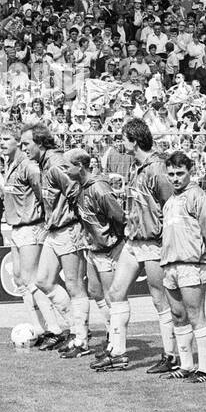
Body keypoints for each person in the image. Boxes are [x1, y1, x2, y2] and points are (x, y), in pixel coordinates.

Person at [92, 117, 178, 374]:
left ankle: (171, 354)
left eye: (124, 138)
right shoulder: (137, 167)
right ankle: (117, 353)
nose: (121, 143)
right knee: (116, 293)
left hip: (154, 241)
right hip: (133, 240)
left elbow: (170, 204)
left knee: (159, 299)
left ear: (135, 140)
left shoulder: (157, 168)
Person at [159, 151, 206, 383]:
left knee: (196, 315)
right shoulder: (170, 201)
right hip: (169, 264)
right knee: (177, 315)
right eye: (171, 174)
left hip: (191, 263)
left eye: (180, 173)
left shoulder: (198, 196)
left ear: (190, 172)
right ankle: (186, 364)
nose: (175, 178)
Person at [22, 123, 82, 352]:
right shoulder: (44, 164)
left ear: (40, 142)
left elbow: (77, 190)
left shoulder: (57, 163)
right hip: (54, 230)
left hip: (68, 229)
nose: (23, 148)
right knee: (43, 280)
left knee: (78, 288)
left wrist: (78, 223)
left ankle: (81, 335)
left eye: (26, 144)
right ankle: (75, 329)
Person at [61, 148, 124, 359]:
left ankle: (115, 347)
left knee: (111, 297)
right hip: (93, 249)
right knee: (95, 292)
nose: (64, 170)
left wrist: (114, 244)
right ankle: (109, 337)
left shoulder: (99, 188)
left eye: (67, 166)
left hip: (108, 249)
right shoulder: (80, 188)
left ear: (79, 166)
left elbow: (119, 217)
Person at [3, 128, 57, 340]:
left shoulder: (30, 167)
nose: (1, 142)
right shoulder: (10, 165)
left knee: (32, 279)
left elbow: (43, 195)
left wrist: (45, 221)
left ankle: (54, 328)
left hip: (31, 226)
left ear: (18, 143)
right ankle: (38, 329)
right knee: (19, 279)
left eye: (6, 139)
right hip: (16, 228)